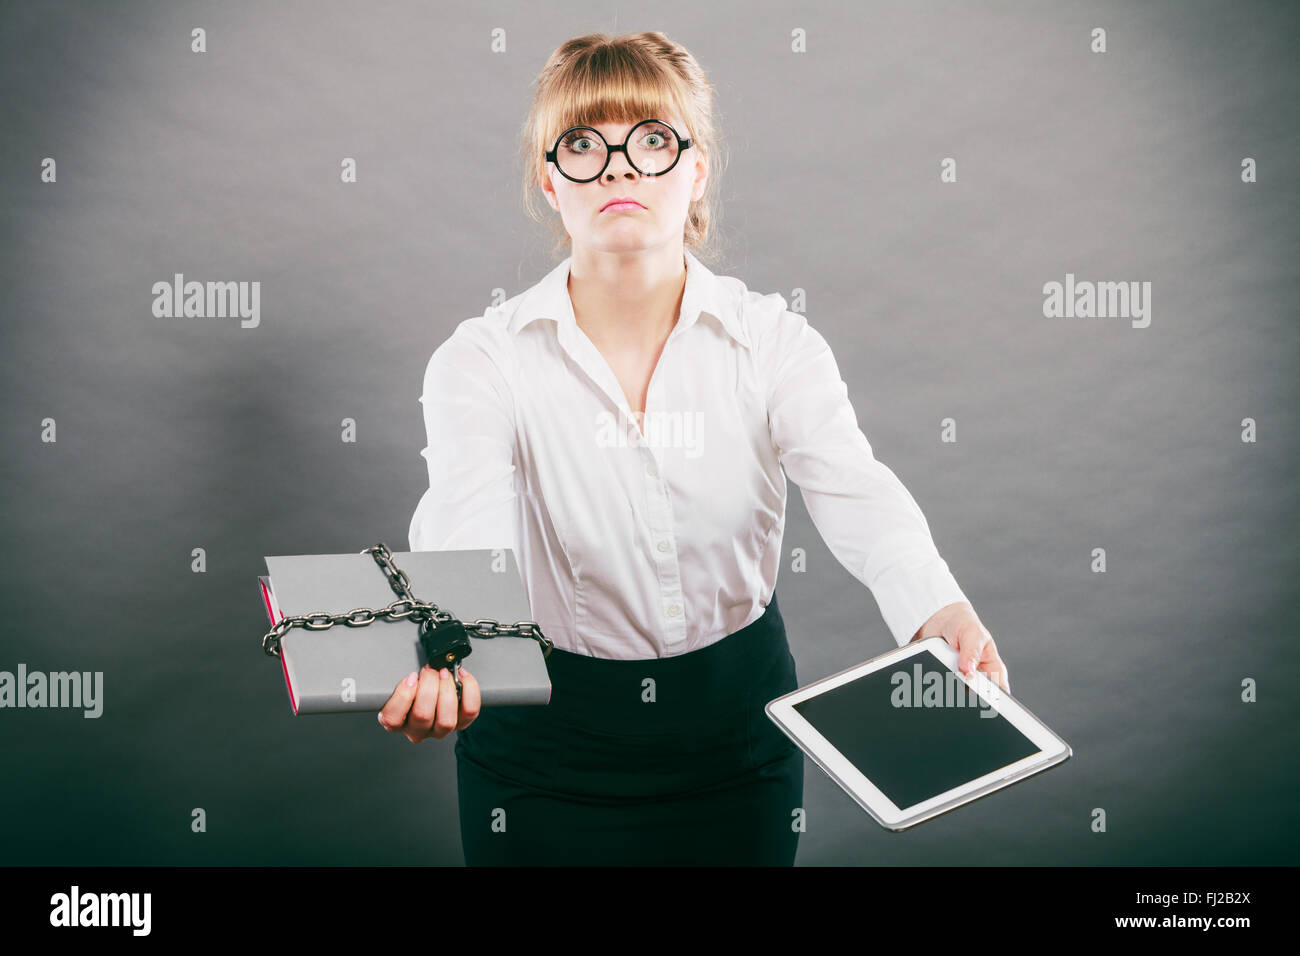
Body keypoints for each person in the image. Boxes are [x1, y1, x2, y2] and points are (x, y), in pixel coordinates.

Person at [382, 31, 1009, 866]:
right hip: (540, 754)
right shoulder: (480, 359)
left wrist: (940, 608)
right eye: (582, 144)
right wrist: (460, 649)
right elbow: (466, 522)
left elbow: (856, 486)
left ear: (697, 168)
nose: (617, 167)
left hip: (736, 742)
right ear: (548, 177)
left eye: (652, 140)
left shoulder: (775, 342)